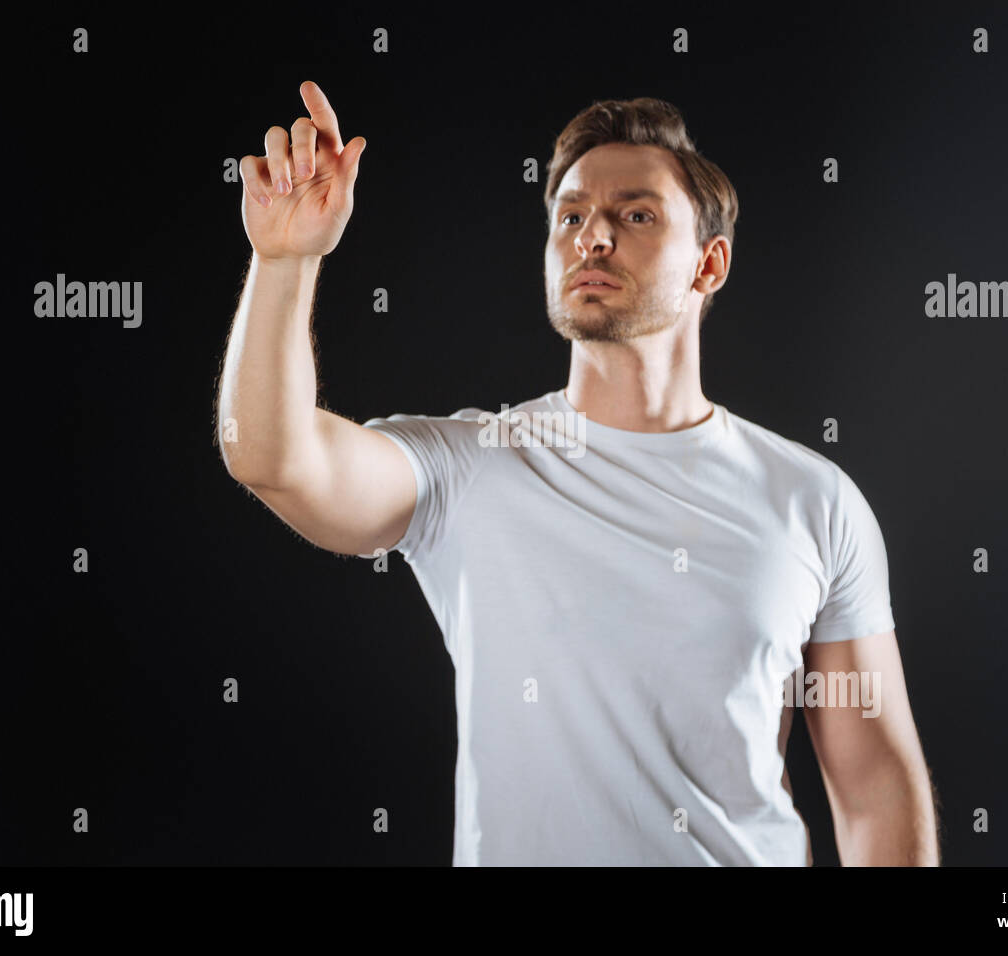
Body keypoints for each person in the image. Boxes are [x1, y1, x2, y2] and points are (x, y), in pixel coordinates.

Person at [216, 80, 939, 866]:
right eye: (570, 215)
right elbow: (272, 457)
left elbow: (874, 789)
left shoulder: (815, 502)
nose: (592, 236)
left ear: (710, 264)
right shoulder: (470, 465)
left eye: (635, 215)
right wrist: (283, 261)